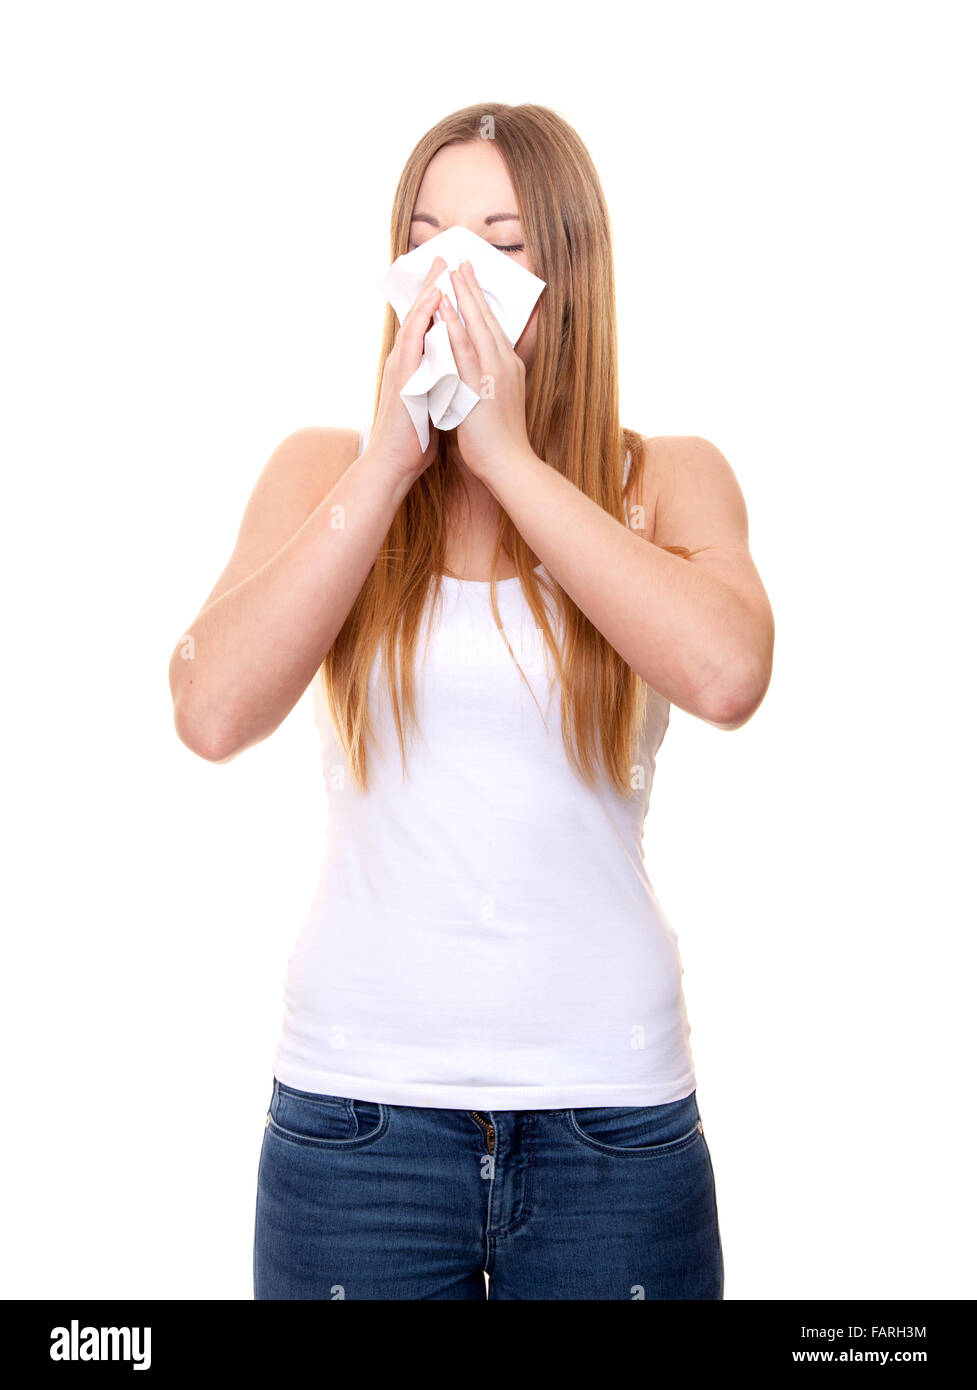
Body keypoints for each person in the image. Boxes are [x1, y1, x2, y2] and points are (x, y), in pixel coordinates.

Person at [168, 102, 774, 1300]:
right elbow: (211, 710)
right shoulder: (321, 470)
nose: (455, 275)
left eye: (498, 241)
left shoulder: (664, 481)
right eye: (427, 235)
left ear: (566, 275)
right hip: (356, 1129)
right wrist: (391, 459)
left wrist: (508, 459)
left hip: (612, 1125)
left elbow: (725, 674)